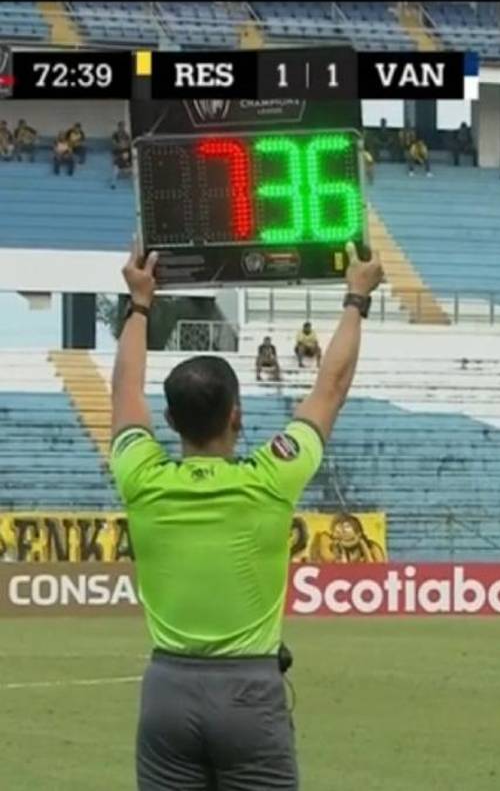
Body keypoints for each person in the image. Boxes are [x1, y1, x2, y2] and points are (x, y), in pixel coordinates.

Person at [109, 236, 383, 789]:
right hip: (248, 694)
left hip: (166, 692)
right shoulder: (269, 478)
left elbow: (123, 393)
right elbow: (329, 388)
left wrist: (139, 304)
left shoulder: (141, 475)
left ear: (170, 420)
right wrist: (356, 298)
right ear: (236, 415)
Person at [111, 120, 132, 189]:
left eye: (123, 126)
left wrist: (124, 145)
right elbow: (114, 143)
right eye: (121, 126)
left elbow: (128, 144)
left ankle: (125, 170)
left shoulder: (126, 134)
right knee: (115, 166)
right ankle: (113, 183)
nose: (122, 127)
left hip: (124, 152)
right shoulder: (115, 134)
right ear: (119, 126)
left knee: (126, 165)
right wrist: (121, 145)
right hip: (117, 152)